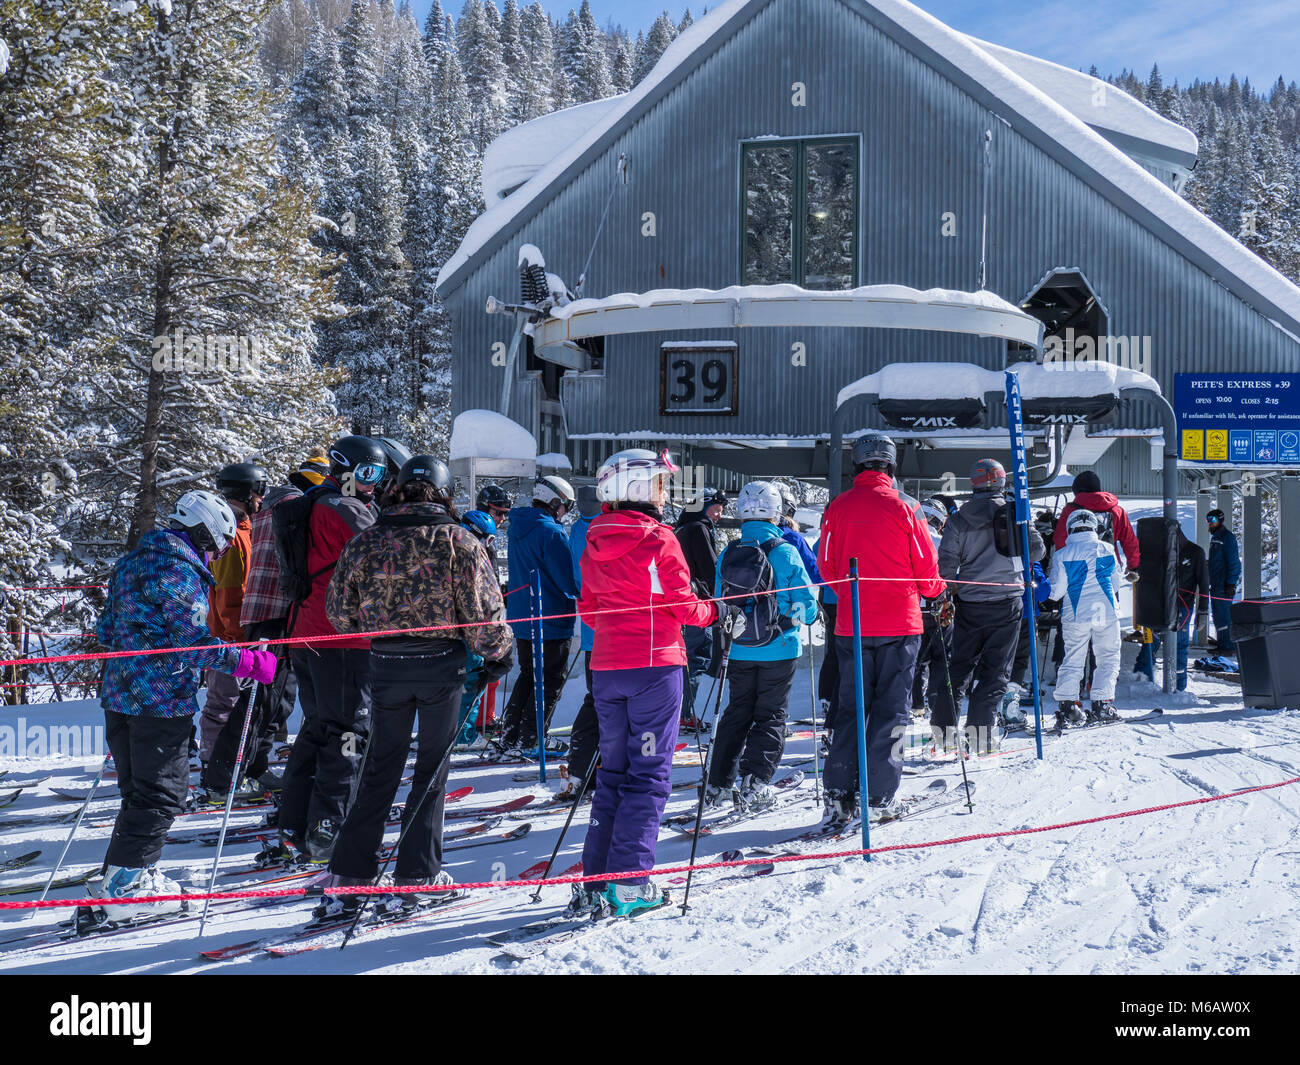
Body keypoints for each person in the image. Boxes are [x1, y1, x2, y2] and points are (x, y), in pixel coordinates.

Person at [318, 456, 513, 920]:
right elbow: (484, 614)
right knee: (431, 769)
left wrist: (382, 622)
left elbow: (338, 613)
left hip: (385, 664)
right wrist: (499, 652)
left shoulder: (368, 540)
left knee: (379, 767)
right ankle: (417, 872)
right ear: (443, 493)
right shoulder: (458, 541)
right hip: (439, 664)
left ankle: (351, 872)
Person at [90, 491, 276, 922]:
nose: (213, 556)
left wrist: (141, 646)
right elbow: (192, 644)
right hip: (159, 700)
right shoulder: (177, 569)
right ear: (203, 533)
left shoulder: (132, 561)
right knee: (161, 795)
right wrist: (248, 661)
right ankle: (127, 884)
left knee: (138, 794)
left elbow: (105, 630)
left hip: (119, 695)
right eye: (214, 546)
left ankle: (124, 874)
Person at [577, 448, 725, 916]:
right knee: (648, 778)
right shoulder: (658, 539)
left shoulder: (595, 537)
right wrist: (718, 611)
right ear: (638, 489)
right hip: (654, 669)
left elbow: (588, 610)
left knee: (614, 775)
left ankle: (597, 879)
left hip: (607, 668)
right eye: (660, 484)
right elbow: (684, 608)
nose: (665, 494)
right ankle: (630, 884)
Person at [817, 433, 945, 827]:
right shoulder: (908, 506)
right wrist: (935, 592)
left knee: (851, 707)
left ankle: (840, 792)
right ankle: (879, 795)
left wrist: (847, 592)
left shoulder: (837, 506)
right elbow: (926, 565)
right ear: (891, 465)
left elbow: (826, 565)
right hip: (899, 624)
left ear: (856, 465)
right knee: (891, 711)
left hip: (851, 625)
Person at [277, 435, 383, 863]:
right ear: (346, 471)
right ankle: (328, 826)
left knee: (319, 727)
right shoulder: (342, 509)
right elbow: (383, 551)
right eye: (368, 474)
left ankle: (294, 821)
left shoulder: (315, 503)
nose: (374, 484)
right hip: (342, 640)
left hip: (310, 633)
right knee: (349, 733)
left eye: (380, 475)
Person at [705, 481, 817, 810]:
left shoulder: (730, 550)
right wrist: (804, 617)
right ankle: (755, 783)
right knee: (770, 716)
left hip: (737, 647)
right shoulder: (784, 550)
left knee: (736, 712)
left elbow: (717, 598)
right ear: (776, 511)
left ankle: (718, 784)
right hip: (779, 647)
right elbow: (807, 603)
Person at [937, 459, 1044, 754]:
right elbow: (1037, 550)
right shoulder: (1013, 513)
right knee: (994, 673)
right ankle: (980, 737)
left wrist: (949, 593)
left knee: (957, 671)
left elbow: (945, 567)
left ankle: (943, 738)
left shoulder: (959, 520)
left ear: (973, 484)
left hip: (969, 603)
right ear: (1000, 482)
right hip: (1006, 602)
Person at [236, 449, 329, 785]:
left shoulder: (270, 502)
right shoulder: (294, 505)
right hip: (277, 610)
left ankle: (244, 767)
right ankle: (246, 771)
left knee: (264, 695)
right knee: (267, 696)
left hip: (259, 608)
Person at [199, 462, 267, 804]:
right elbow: (228, 593)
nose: (261, 498)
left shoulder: (244, 527)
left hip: (238, 637)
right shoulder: (231, 534)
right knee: (223, 704)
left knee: (239, 706)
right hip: (230, 638)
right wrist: (237, 639)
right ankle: (213, 769)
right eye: (259, 490)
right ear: (245, 492)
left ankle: (233, 768)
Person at [499, 475, 578, 754]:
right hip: (551, 617)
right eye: (566, 506)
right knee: (549, 679)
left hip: (523, 616)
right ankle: (532, 737)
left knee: (529, 675)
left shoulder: (519, 527)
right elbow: (566, 580)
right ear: (554, 501)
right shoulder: (552, 533)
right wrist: (581, 588)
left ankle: (511, 734)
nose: (565, 512)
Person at [1049, 509, 1126, 726]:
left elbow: (1056, 592)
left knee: (1073, 658)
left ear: (1070, 527)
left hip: (1076, 612)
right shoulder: (1108, 549)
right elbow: (1117, 583)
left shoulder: (1063, 554)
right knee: (1108, 657)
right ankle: (1102, 704)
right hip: (1107, 611)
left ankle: (1068, 705)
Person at [559, 484, 602, 801]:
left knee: (596, 699)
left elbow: (576, 581)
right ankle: (591, 767)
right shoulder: (605, 530)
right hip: (612, 632)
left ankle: (583, 766)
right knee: (605, 704)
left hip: (590, 630)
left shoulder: (576, 530)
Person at [674, 486, 726, 729]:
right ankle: (684, 713)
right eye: (716, 510)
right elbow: (710, 567)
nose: (719, 516)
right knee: (695, 657)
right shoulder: (699, 529)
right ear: (705, 506)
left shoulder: (681, 527)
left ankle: (677, 711)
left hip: (680, 601)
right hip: (698, 603)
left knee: (683, 657)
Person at [1136, 528, 1209, 691]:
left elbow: (1203, 583)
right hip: (1157, 604)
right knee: (1150, 641)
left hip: (1182, 606)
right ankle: (1142, 680)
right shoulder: (1158, 552)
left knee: (1179, 645)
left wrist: (1203, 610)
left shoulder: (1195, 552)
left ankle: (1178, 686)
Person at [455, 509, 502, 748]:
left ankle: (451, 733)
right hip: (468, 632)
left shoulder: (452, 553)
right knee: (470, 678)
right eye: (489, 540)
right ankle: (463, 735)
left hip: (453, 632)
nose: (489, 546)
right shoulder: (470, 559)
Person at [911, 498, 955, 724]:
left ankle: (916, 702)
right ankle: (935, 700)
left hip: (913, 608)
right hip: (939, 606)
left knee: (916, 657)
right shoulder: (941, 541)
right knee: (941, 657)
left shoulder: (909, 538)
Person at [1053, 470, 1140, 571]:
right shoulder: (1117, 511)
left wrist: (1063, 569)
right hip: (1110, 568)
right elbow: (1130, 542)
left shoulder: (1070, 511)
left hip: (1079, 569)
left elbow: (1060, 540)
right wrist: (1133, 567)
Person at [1206, 508, 1241, 653]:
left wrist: (1231, 583)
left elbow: (1234, 562)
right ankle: (1222, 643)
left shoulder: (1227, 537)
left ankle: (1227, 646)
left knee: (1224, 615)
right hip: (1215, 583)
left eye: (1213, 520)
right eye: (1208, 520)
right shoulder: (1215, 538)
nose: (1210, 523)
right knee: (1217, 615)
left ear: (1220, 520)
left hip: (1224, 584)